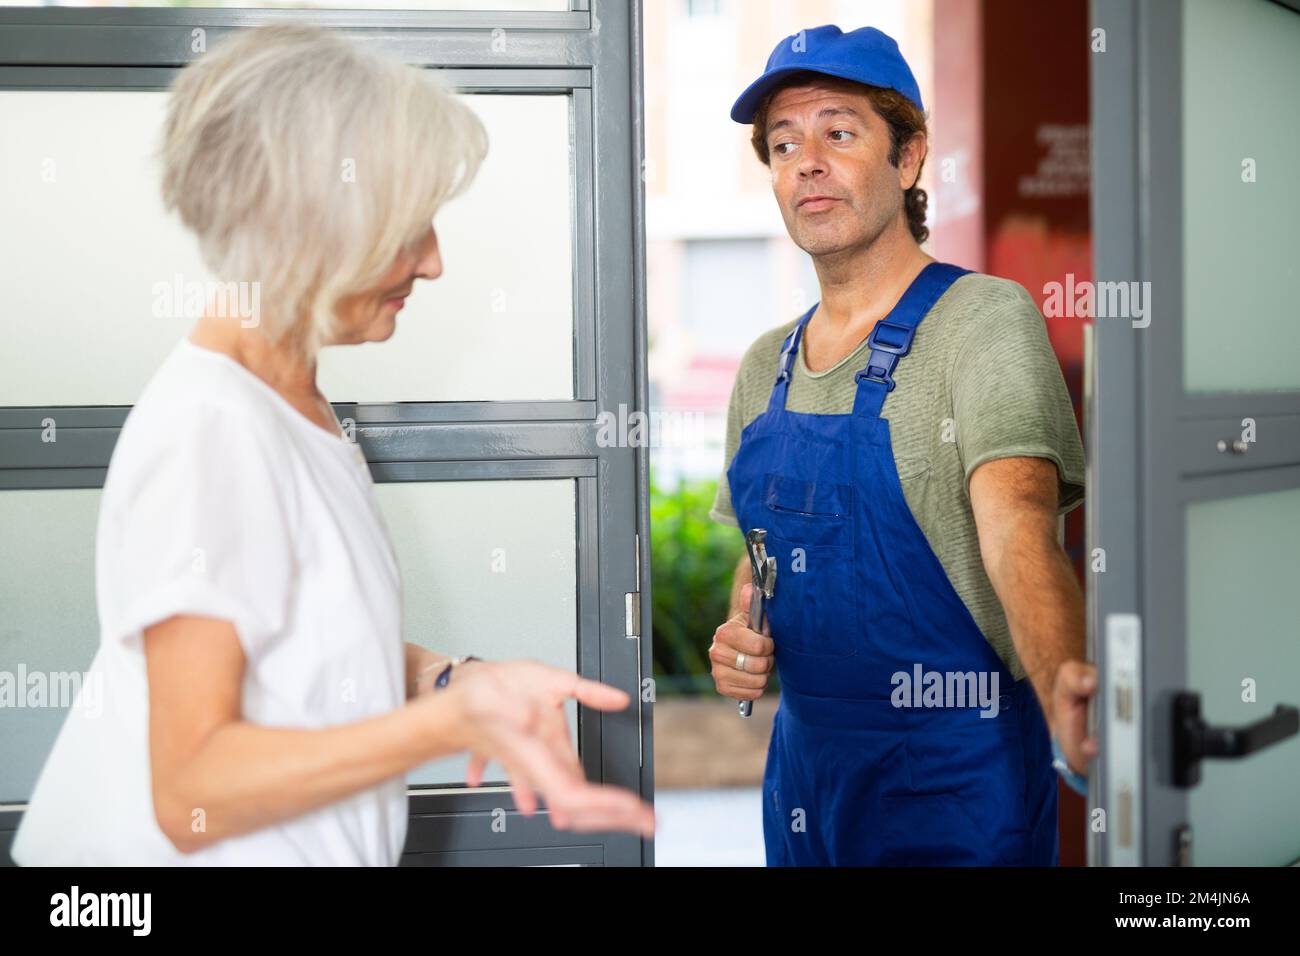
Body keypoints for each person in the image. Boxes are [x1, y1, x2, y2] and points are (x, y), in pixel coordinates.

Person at [12, 23, 654, 866]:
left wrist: (450, 680)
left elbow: (300, 648)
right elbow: (190, 790)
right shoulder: (213, 434)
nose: (432, 264)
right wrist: (447, 723)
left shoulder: (292, 404)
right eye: (408, 227)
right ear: (306, 224)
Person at [708, 24, 1097, 865]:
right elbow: (760, 558)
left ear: (910, 157)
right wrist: (743, 630)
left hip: (954, 776)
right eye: (783, 143)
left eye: (839, 132)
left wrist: (1069, 679)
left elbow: (1017, 525)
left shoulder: (983, 321)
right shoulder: (760, 367)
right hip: (808, 777)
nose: (806, 160)